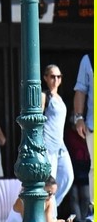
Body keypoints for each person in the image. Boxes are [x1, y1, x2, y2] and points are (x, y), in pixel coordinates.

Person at [42, 64, 73, 212]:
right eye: (52, 76)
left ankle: (52, 206)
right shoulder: (44, 96)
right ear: (46, 78)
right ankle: (50, 214)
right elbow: (37, 119)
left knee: (68, 177)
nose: (56, 79)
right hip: (47, 144)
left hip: (60, 144)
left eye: (58, 76)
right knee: (50, 182)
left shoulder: (60, 98)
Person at [72, 54, 92, 220]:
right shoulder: (89, 59)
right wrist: (78, 117)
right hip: (94, 125)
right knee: (94, 169)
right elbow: (81, 89)